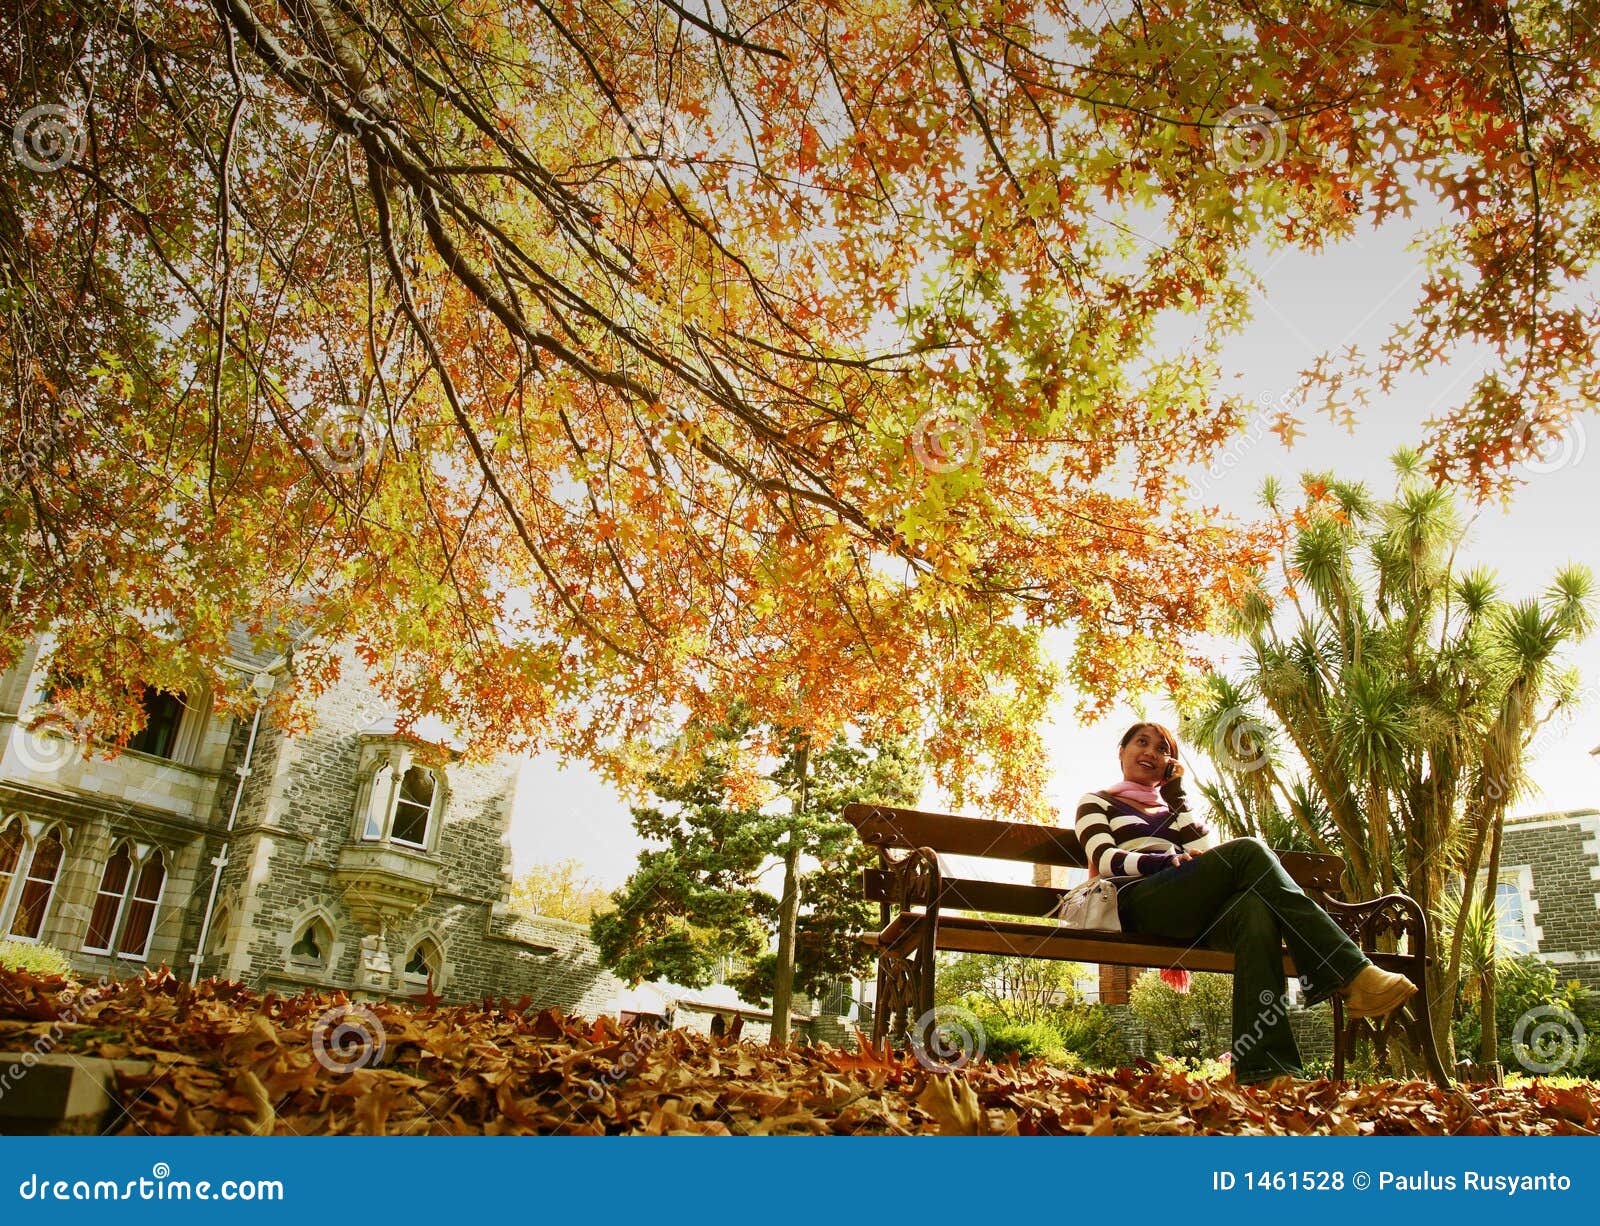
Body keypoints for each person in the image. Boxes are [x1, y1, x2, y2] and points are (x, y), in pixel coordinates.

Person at [1074, 721, 1417, 1087]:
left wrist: (1177, 797)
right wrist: (1160, 861)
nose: (1152, 753)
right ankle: (1349, 973)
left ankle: (1265, 1069)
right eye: (1142, 742)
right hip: (1136, 903)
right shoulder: (1097, 802)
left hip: (1188, 910)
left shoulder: (1172, 810)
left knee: (1255, 910)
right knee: (1250, 849)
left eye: (1163, 749)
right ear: (1122, 751)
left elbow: (1207, 855)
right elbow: (1106, 858)